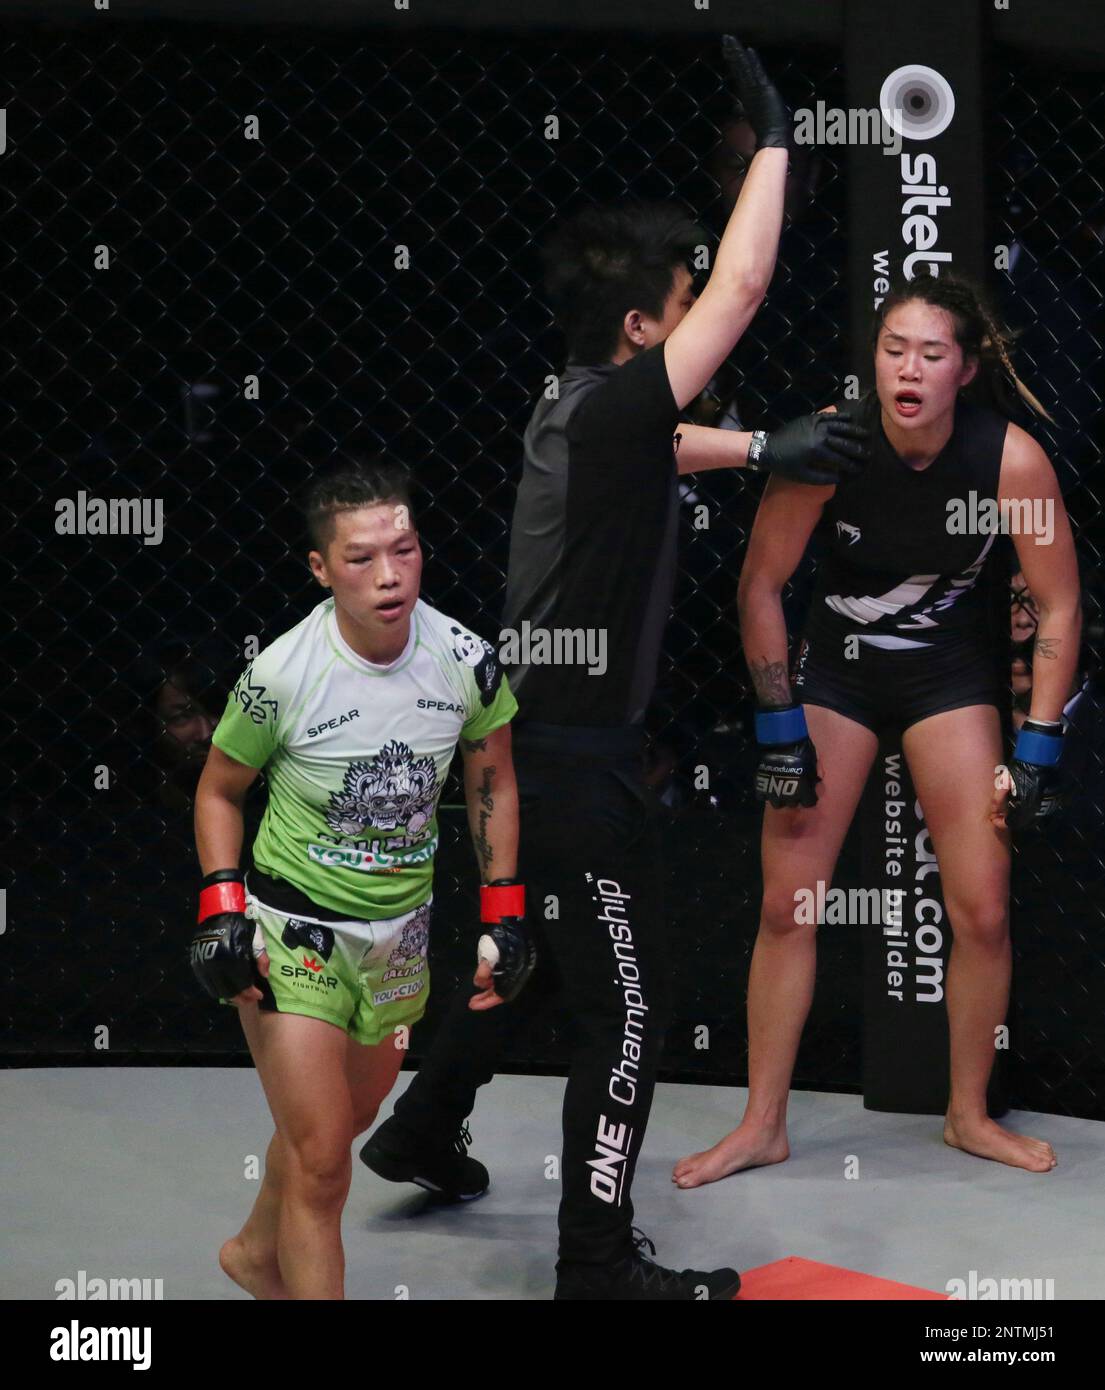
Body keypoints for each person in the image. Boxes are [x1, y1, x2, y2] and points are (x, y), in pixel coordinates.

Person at [360, 36, 869, 1301]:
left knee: (534, 961)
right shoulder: (611, 406)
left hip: (527, 750)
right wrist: (778, 144)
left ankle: (423, 1125)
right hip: (572, 769)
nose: (705, 315)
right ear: (644, 328)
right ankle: (594, 1263)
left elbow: (676, 439)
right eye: (679, 306)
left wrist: (757, 445)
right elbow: (745, 286)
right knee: (625, 1014)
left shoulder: (575, 407)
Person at [673, 270, 1082, 1190]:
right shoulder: (833, 442)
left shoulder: (1008, 460)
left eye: (930, 353)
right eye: (893, 349)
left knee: (979, 906)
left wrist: (1039, 746)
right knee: (789, 905)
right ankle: (761, 1124)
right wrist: (779, 729)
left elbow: (1057, 606)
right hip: (837, 677)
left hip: (947, 678)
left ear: (962, 369)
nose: (908, 368)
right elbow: (759, 586)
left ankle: (967, 1115)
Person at [190, 461, 521, 1299]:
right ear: (319, 569)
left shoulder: (465, 661)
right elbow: (219, 789)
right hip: (291, 932)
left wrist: (505, 914)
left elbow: (493, 782)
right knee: (324, 1166)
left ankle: (253, 1256)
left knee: (345, 1126)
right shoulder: (280, 676)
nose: (388, 576)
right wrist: (221, 905)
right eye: (362, 559)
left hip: (400, 935)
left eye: (404, 551)